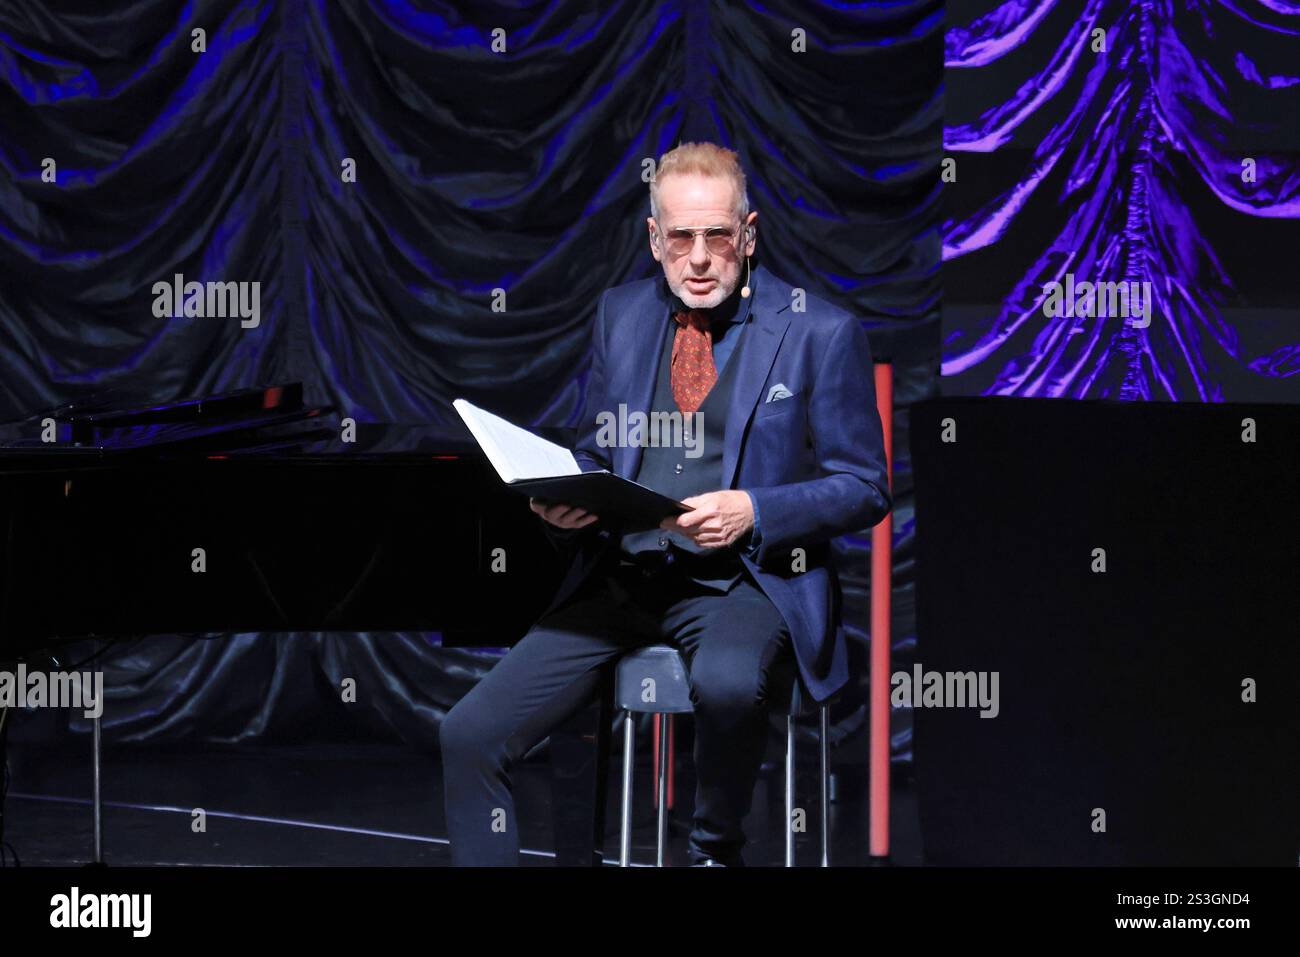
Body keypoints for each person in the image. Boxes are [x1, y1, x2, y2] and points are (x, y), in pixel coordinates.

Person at [440, 141, 891, 866]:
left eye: (718, 235)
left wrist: (754, 506)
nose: (701, 257)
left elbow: (864, 484)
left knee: (726, 681)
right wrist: (567, 496)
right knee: (467, 732)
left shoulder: (818, 331)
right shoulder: (620, 315)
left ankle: (716, 846)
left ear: (748, 232)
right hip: (625, 574)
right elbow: (596, 449)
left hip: (743, 578)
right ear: (655, 239)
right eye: (681, 237)